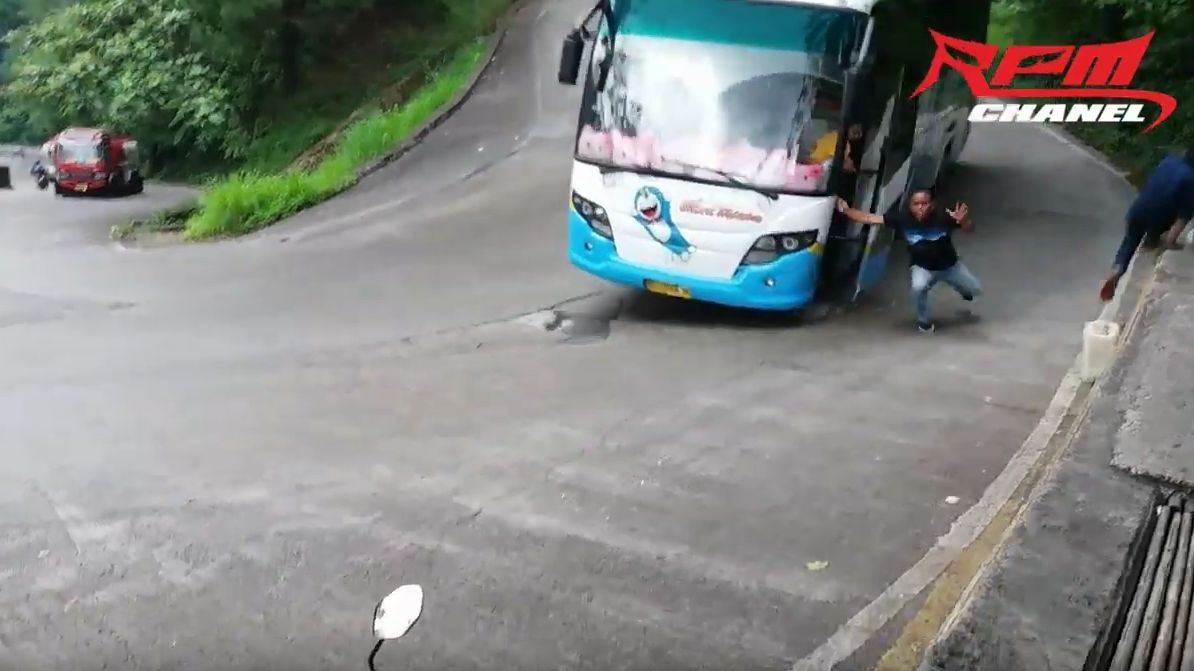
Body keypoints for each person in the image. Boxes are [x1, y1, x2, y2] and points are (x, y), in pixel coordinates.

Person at [836, 187, 980, 332]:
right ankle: (923, 322)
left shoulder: (944, 217)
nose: (920, 207)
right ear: (910, 206)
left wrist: (963, 221)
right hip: (923, 268)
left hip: (950, 267)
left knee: (975, 290)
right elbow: (868, 218)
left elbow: (969, 229)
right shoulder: (902, 219)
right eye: (916, 204)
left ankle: (963, 289)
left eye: (924, 203)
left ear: (932, 204)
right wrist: (846, 210)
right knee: (918, 288)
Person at [1100, 147, 1194, 301]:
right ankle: (1152, 238)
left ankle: (1116, 270)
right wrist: (1172, 243)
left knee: (1129, 242)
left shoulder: (1168, 161)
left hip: (1138, 209)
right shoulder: (1191, 181)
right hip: (1158, 219)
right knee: (1165, 214)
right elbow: (1183, 218)